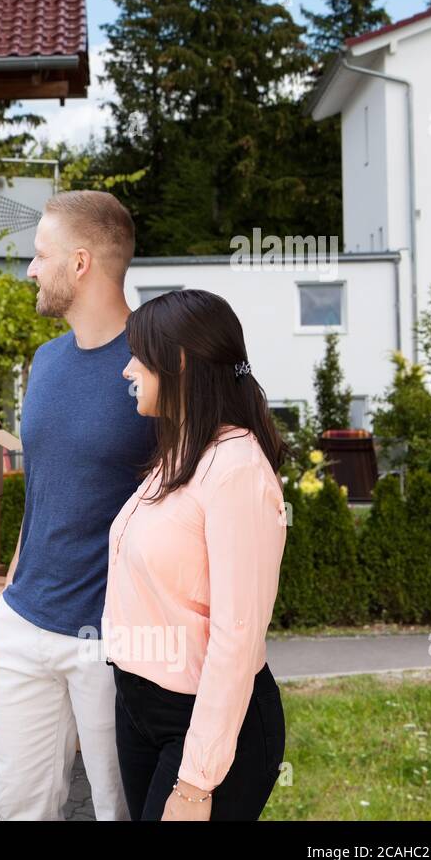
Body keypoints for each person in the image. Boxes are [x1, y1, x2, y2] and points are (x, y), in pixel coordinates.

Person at [0, 190, 155, 821]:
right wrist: (12, 581)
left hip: (112, 639)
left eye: (39, 255)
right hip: (24, 622)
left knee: (121, 808)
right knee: (20, 807)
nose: (30, 268)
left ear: (80, 263)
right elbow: (49, 480)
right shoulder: (46, 360)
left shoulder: (157, 363)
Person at [104, 288, 288, 821]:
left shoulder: (237, 470)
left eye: (139, 355)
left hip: (202, 724)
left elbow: (236, 637)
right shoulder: (181, 452)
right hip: (140, 706)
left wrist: (194, 783)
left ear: (179, 362)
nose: (127, 370)